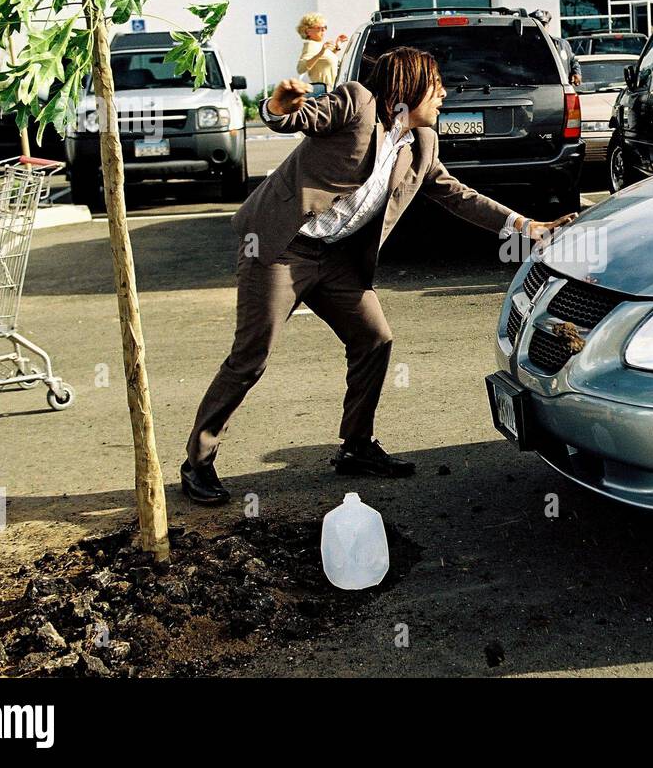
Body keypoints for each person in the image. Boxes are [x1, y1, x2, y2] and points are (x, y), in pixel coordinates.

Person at [181, 46, 577, 505]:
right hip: (281, 246)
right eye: (437, 85)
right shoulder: (358, 103)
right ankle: (198, 462)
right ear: (407, 89)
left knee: (374, 339)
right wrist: (277, 106)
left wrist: (525, 227)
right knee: (251, 357)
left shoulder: (423, 145)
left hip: (334, 258)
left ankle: (356, 447)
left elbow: (456, 194)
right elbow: (299, 118)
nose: (446, 93)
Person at [295, 12, 347, 89]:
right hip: (326, 94)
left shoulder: (319, 45)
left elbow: (324, 61)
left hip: (333, 90)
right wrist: (320, 53)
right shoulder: (310, 45)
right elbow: (300, 69)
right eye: (320, 28)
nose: (324, 30)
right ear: (308, 31)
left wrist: (337, 48)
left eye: (325, 27)